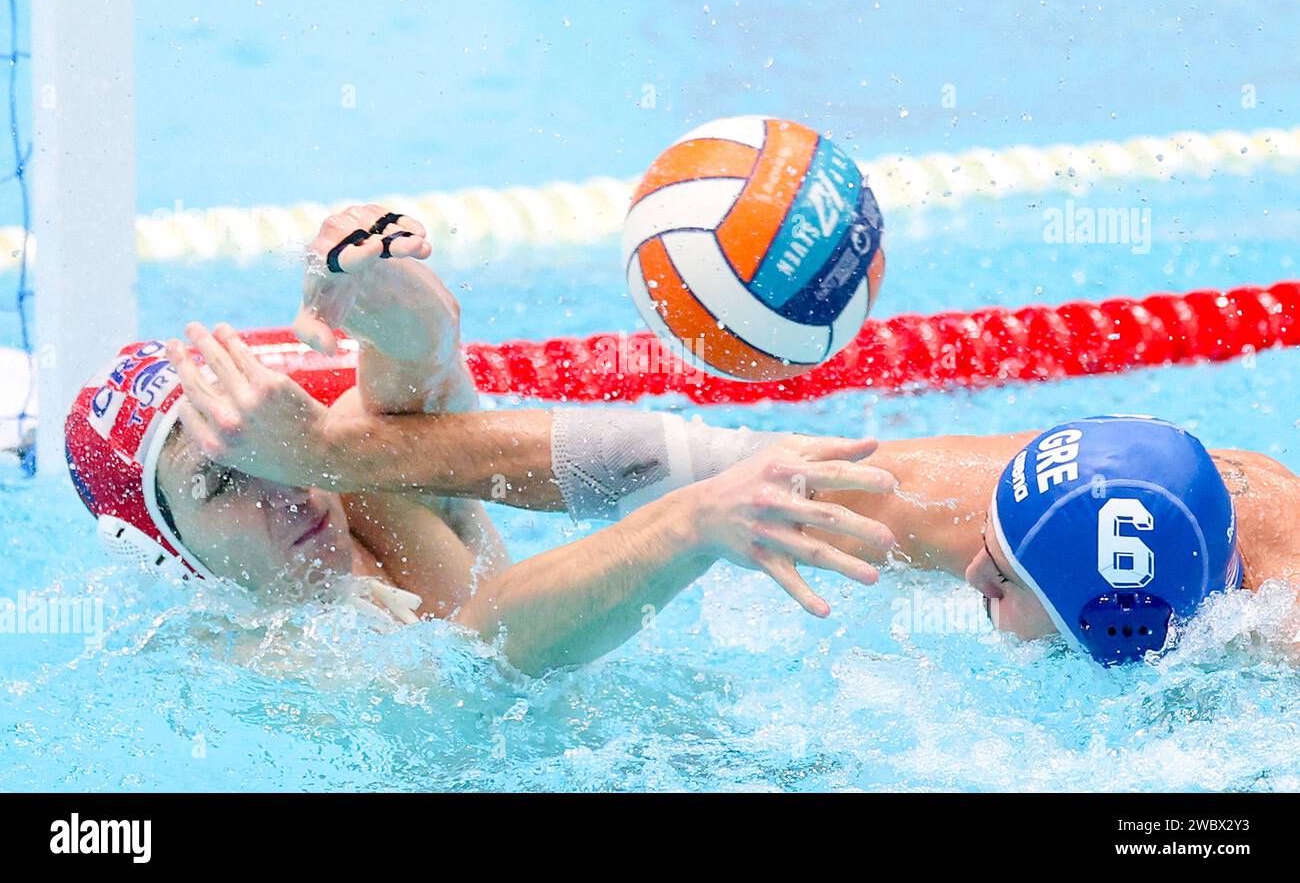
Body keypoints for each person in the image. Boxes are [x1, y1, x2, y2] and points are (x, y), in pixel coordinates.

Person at [175, 213, 1300, 666]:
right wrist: (384, 386)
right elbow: (671, 461)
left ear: (1117, 629)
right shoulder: (1101, 516)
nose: (963, 566)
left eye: (1002, 583)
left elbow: (477, 648)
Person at [64, 206, 898, 675]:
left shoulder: (365, 492)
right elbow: (480, 663)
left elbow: (421, 369)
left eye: (259, 442)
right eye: (221, 481)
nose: (280, 482)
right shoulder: (244, 663)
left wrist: (364, 282)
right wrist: (684, 526)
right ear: (165, 550)